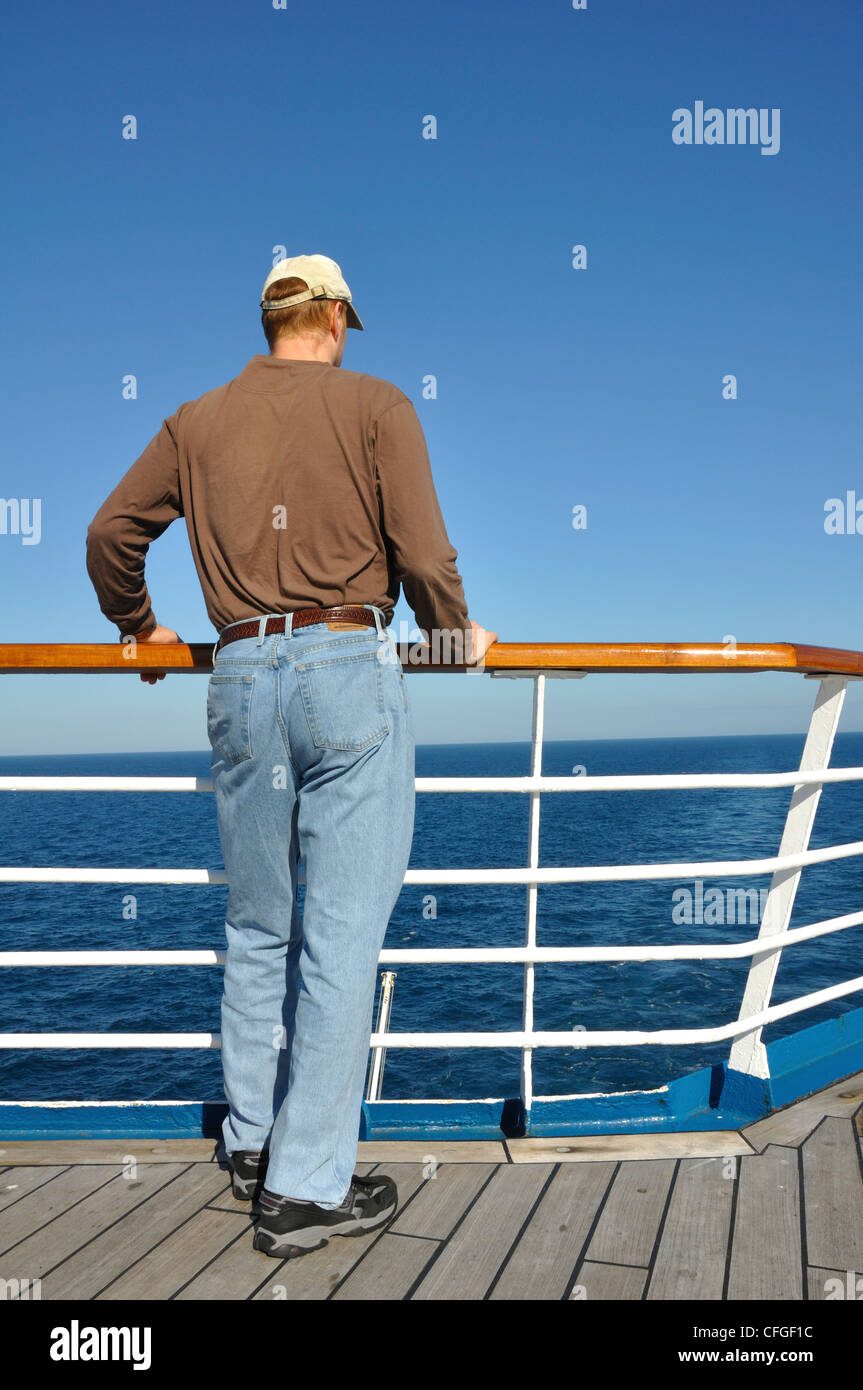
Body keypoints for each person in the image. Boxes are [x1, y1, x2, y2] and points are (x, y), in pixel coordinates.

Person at [85, 252, 497, 1259]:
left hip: (238, 674)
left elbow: (107, 534)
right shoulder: (375, 405)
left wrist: (139, 627)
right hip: (347, 665)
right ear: (338, 316)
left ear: (271, 321)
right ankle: (306, 1190)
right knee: (341, 937)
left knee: (257, 920)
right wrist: (454, 631)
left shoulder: (194, 421)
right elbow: (424, 555)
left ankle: (251, 1138)